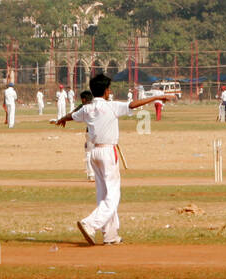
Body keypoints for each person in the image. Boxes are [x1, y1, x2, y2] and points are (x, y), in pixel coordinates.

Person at [51, 74, 175, 245]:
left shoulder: (88, 108)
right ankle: (90, 224)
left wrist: (61, 119)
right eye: (109, 89)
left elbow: (73, 116)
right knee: (113, 196)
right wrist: (158, 97)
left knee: (103, 195)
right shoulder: (111, 106)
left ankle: (110, 235)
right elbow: (133, 104)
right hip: (108, 152)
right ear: (106, 91)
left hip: (94, 153)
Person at [79, 90, 94, 181]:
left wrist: (61, 120)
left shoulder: (85, 108)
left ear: (84, 99)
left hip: (90, 132)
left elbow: (73, 115)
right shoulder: (99, 106)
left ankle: (91, 174)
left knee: (89, 153)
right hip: (102, 132)